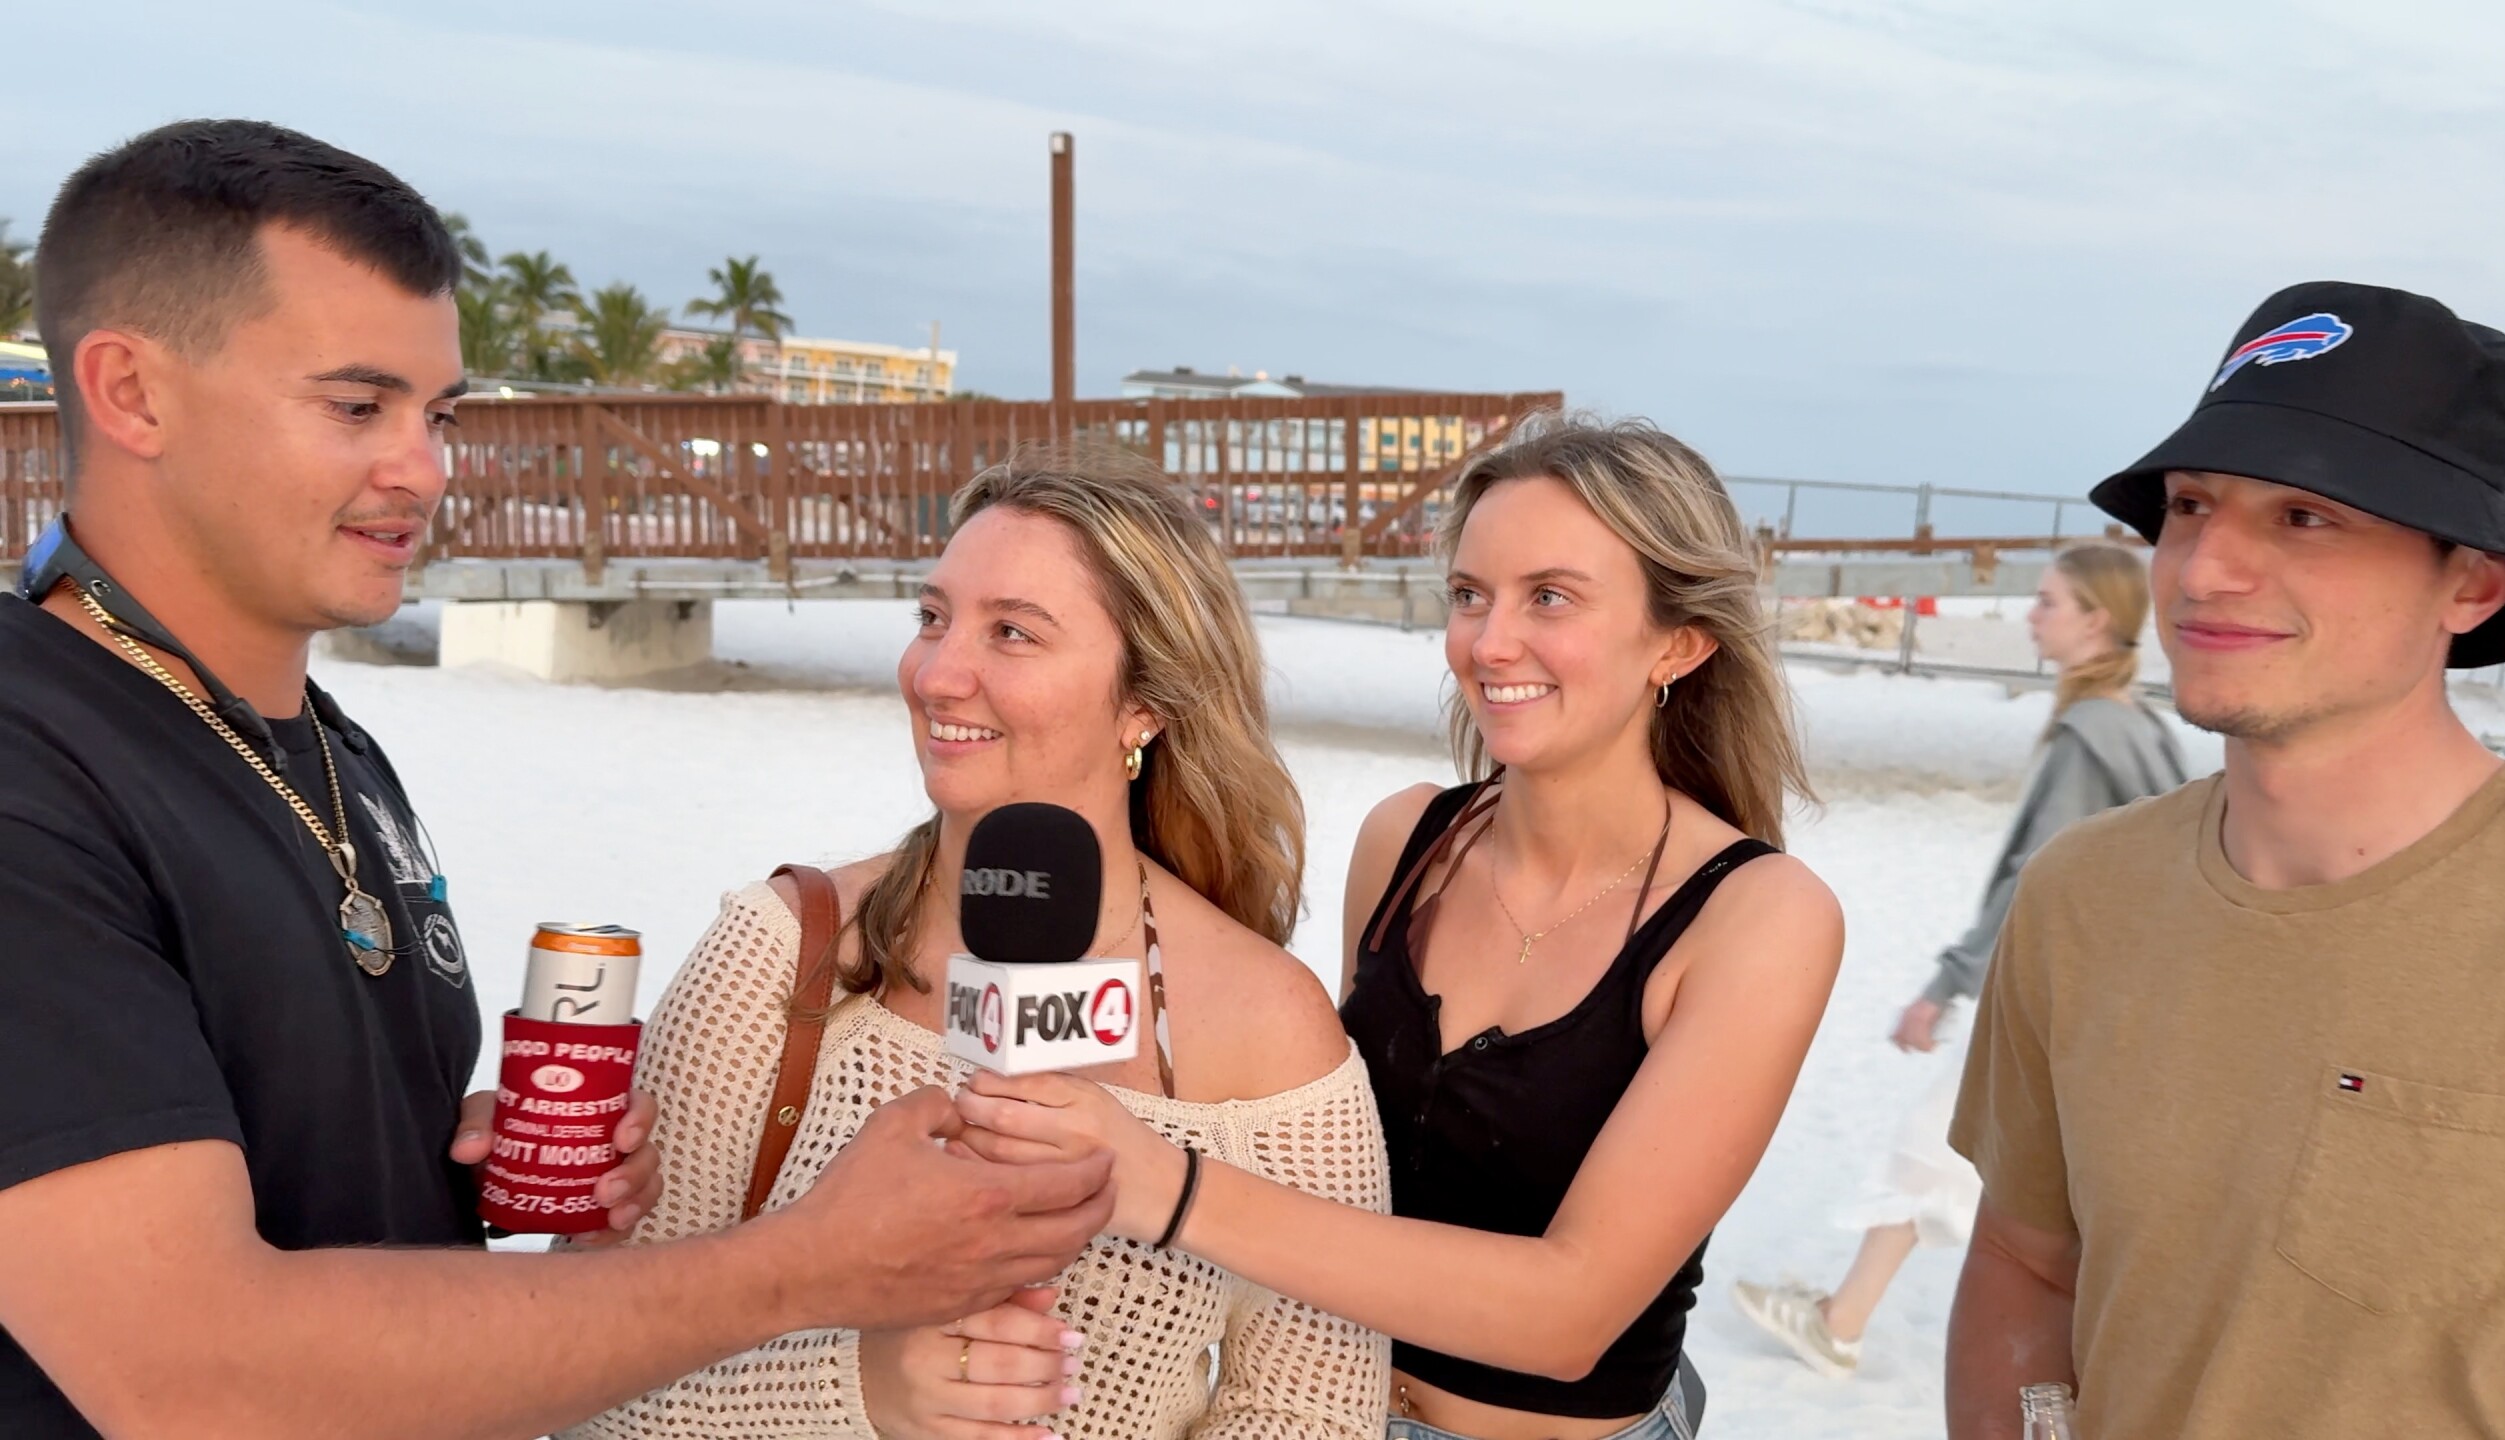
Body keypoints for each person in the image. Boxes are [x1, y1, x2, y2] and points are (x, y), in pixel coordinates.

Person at [0, 120, 1111, 1440]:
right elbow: (191, 1376)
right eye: (357, 406)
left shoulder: (324, 746)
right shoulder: (35, 755)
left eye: (440, 413)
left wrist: (477, 1172)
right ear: (131, 392)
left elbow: (274, 1175)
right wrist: (810, 1267)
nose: (424, 469)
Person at [958, 415, 1846, 1440]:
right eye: (1469, 596)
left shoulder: (1756, 918)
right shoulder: (1406, 840)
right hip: (1322, 1414)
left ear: (1680, 644)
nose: (1488, 642)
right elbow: (1338, 1169)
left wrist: (1167, 1184)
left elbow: (1569, 1315)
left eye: (1547, 597)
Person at [566, 448, 1390, 1440]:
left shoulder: (1271, 1026)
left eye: (1011, 632)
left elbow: (1311, 1410)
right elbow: (588, 1381)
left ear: (1145, 703)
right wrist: (858, 1393)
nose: (937, 674)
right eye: (931, 618)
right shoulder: (785, 954)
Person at [1946, 281, 2505, 1437]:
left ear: (2473, 582)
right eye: (2189, 505)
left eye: (2304, 517)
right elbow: (2028, 1265)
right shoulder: (2081, 895)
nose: (2202, 567)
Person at [1729, 543, 2186, 1376]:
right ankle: (1844, 1316)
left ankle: (1839, 1325)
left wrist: (1943, 985)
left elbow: (2039, 884)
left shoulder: (2091, 736)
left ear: (2095, 618)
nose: (2029, 614)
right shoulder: (2140, 728)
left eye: (2048, 601)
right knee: (1998, 1163)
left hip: (2064, 1003)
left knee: (1937, 1141)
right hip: (2117, 1004)